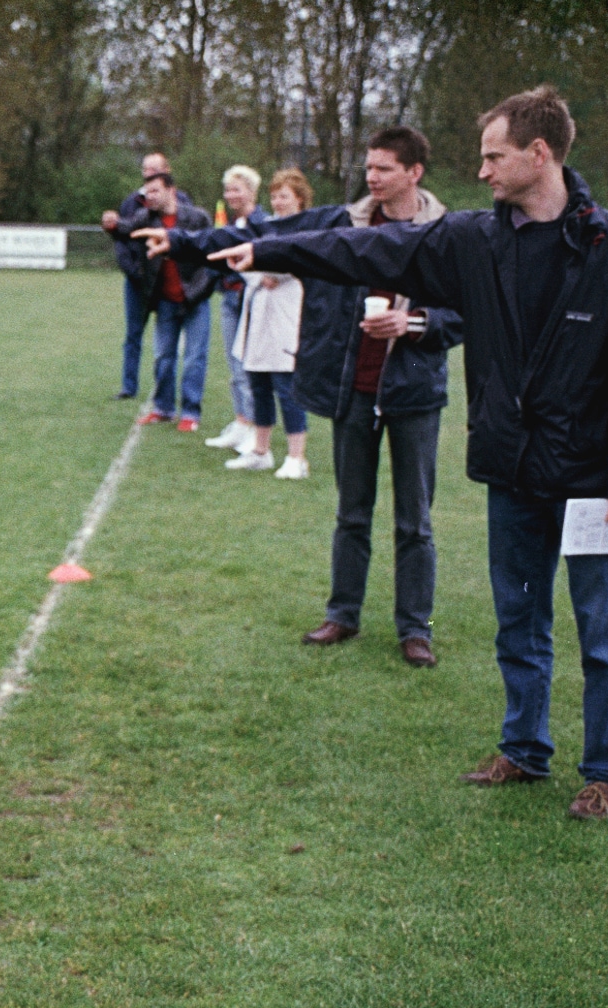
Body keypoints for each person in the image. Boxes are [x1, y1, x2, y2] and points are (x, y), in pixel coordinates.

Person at [205, 85, 608, 820]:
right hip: (512, 469)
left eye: (493, 155)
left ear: (537, 153)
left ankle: (607, 772)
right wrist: (270, 247)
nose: (480, 171)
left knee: (603, 636)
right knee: (518, 623)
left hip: (593, 480)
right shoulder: (474, 240)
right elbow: (362, 246)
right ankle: (523, 750)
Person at [141, 126, 461, 667]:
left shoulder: (447, 233)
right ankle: (343, 615)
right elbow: (269, 236)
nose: (372, 177)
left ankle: (416, 628)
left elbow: (462, 315)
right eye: (369, 167)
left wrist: (416, 323)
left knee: (415, 521)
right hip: (352, 391)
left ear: (414, 173)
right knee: (351, 512)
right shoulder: (343, 222)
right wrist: (183, 243)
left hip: (413, 394)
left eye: (384, 168)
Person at [226, 169, 313, 479]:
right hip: (258, 314)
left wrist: (260, 269)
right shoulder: (266, 229)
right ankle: (261, 451)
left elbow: (281, 270)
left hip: (285, 317)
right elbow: (244, 264)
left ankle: (296, 457)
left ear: (299, 200)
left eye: (284, 196)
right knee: (258, 383)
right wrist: (256, 271)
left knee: (285, 387)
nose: (277, 202)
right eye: (274, 196)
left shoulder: (304, 232)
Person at [118, 173, 215, 427]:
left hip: (195, 298)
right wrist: (111, 224)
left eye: (154, 191)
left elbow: (212, 253)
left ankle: (191, 413)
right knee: (163, 356)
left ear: (171, 191)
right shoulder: (145, 218)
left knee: (195, 357)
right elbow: (125, 231)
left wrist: (203, 287)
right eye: (147, 192)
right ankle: (163, 408)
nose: (149, 197)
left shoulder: (197, 218)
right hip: (165, 301)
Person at [100, 152, 188, 402]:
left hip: (167, 282)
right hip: (138, 281)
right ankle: (129, 386)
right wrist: (132, 270)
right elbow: (123, 237)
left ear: (166, 171)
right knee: (133, 335)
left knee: (167, 343)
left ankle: (167, 394)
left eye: (154, 169)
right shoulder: (132, 202)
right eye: (145, 169)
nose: (149, 173)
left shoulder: (182, 201)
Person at [208, 165, 268, 442]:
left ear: (251, 192)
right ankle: (241, 422)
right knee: (234, 366)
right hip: (230, 299)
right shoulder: (231, 225)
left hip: (253, 301)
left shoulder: (263, 223)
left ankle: (257, 428)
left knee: (250, 366)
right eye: (227, 189)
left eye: (236, 189)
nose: (230, 195)